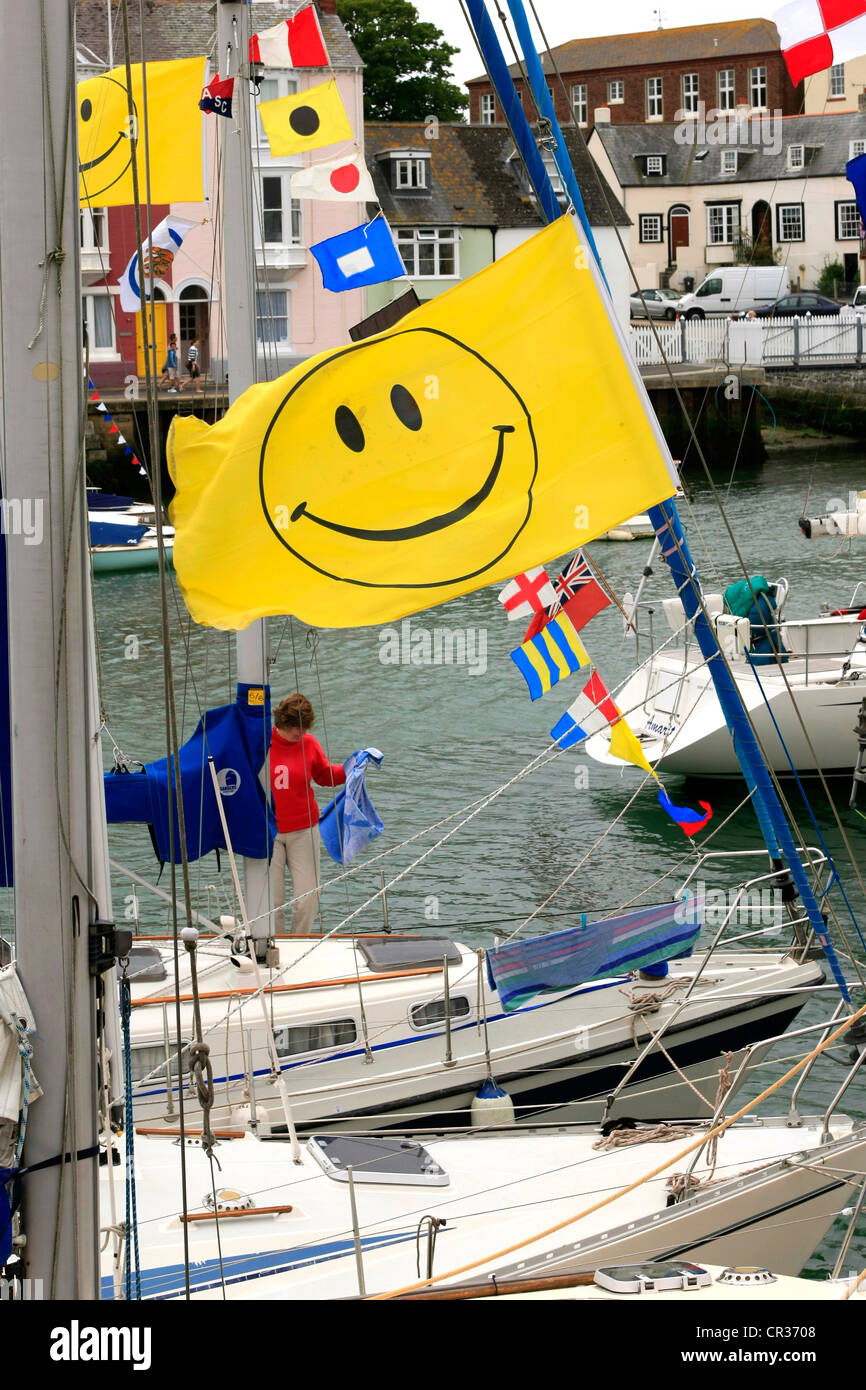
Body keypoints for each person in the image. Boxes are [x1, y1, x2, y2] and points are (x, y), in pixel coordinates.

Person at [269, 693, 346, 935]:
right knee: (272, 901)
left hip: (304, 829)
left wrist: (351, 769)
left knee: (307, 897)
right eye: (296, 729)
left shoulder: (309, 743)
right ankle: (273, 946)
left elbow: (325, 775)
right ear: (283, 723)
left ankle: (298, 943)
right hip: (269, 832)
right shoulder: (259, 743)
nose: (300, 734)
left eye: (304, 729)